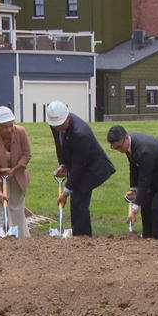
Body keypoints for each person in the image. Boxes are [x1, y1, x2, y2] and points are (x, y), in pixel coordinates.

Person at [47, 100, 115, 237]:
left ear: (67, 118)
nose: (57, 128)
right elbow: (60, 146)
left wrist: (66, 192)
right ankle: (78, 233)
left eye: (60, 125)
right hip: (79, 163)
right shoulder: (55, 125)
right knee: (77, 198)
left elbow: (79, 166)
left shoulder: (80, 134)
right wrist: (63, 165)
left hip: (94, 167)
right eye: (55, 126)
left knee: (78, 198)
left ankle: (83, 237)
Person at [106, 126, 158, 240]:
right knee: (146, 205)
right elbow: (133, 167)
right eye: (115, 148)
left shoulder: (144, 151)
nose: (119, 150)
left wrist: (134, 208)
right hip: (156, 172)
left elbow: (144, 181)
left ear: (126, 138)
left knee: (156, 206)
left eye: (119, 147)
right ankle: (147, 239)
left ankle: (157, 241)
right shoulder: (128, 145)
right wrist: (133, 189)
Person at [0, 106, 31, 238]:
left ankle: (20, 238)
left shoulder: (20, 132)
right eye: (5, 127)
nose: (9, 130)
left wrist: (14, 170)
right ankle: (0, 239)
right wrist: (0, 192)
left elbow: (27, 155)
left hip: (17, 174)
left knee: (16, 207)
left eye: (11, 125)